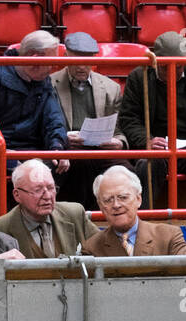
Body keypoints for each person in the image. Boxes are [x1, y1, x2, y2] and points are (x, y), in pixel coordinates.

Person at [117, 31, 186, 251]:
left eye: (180, 66)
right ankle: (145, 229)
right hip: (157, 150)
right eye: (168, 67)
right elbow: (128, 119)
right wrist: (146, 141)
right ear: (156, 62)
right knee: (146, 165)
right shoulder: (139, 76)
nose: (176, 71)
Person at [0, 30, 69, 194]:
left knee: (61, 167)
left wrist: (57, 147)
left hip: (29, 151)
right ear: (34, 59)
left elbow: (54, 121)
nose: (52, 68)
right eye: (50, 61)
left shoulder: (44, 82)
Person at [49, 31, 127, 207]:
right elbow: (47, 124)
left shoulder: (110, 88)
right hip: (69, 149)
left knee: (128, 173)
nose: (82, 67)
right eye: (76, 61)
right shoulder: (50, 84)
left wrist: (119, 142)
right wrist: (63, 140)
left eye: (87, 61)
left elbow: (120, 129)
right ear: (65, 56)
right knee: (80, 168)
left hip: (102, 149)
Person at [0, 159, 96, 258]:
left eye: (51, 188)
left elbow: (104, 247)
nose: (48, 196)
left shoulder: (75, 214)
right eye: (38, 190)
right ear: (17, 195)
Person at [80, 165, 186, 256]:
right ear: (100, 206)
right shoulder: (91, 248)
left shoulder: (169, 236)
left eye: (123, 197)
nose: (116, 205)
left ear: (138, 199)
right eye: (108, 200)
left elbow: (185, 279)